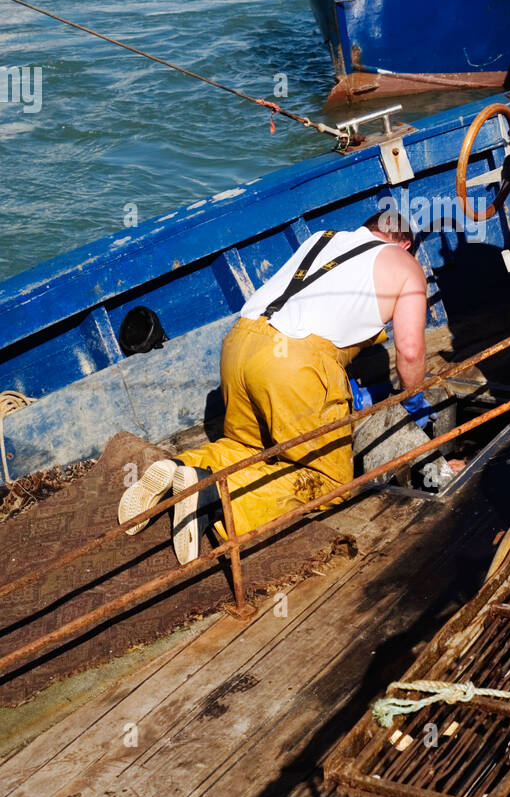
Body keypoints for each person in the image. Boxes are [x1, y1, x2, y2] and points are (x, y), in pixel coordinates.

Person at [118, 212, 429, 565]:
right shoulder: (404, 263)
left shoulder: (323, 238)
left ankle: (178, 469)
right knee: (329, 481)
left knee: (249, 447)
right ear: (405, 244)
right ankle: (215, 497)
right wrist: (414, 399)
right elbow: (410, 350)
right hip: (294, 361)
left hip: (239, 344)